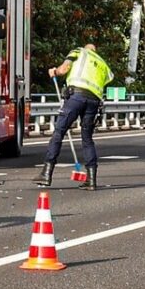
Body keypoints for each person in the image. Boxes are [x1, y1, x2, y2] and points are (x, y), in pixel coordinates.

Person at [40, 40, 112, 188]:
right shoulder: (103, 64)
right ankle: (91, 180)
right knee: (87, 138)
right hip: (93, 101)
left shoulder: (79, 52)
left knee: (59, 132)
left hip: (76, 97)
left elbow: (65, 68)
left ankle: (46, 173)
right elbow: (106, 80)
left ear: (86, 48)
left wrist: (54, 72)